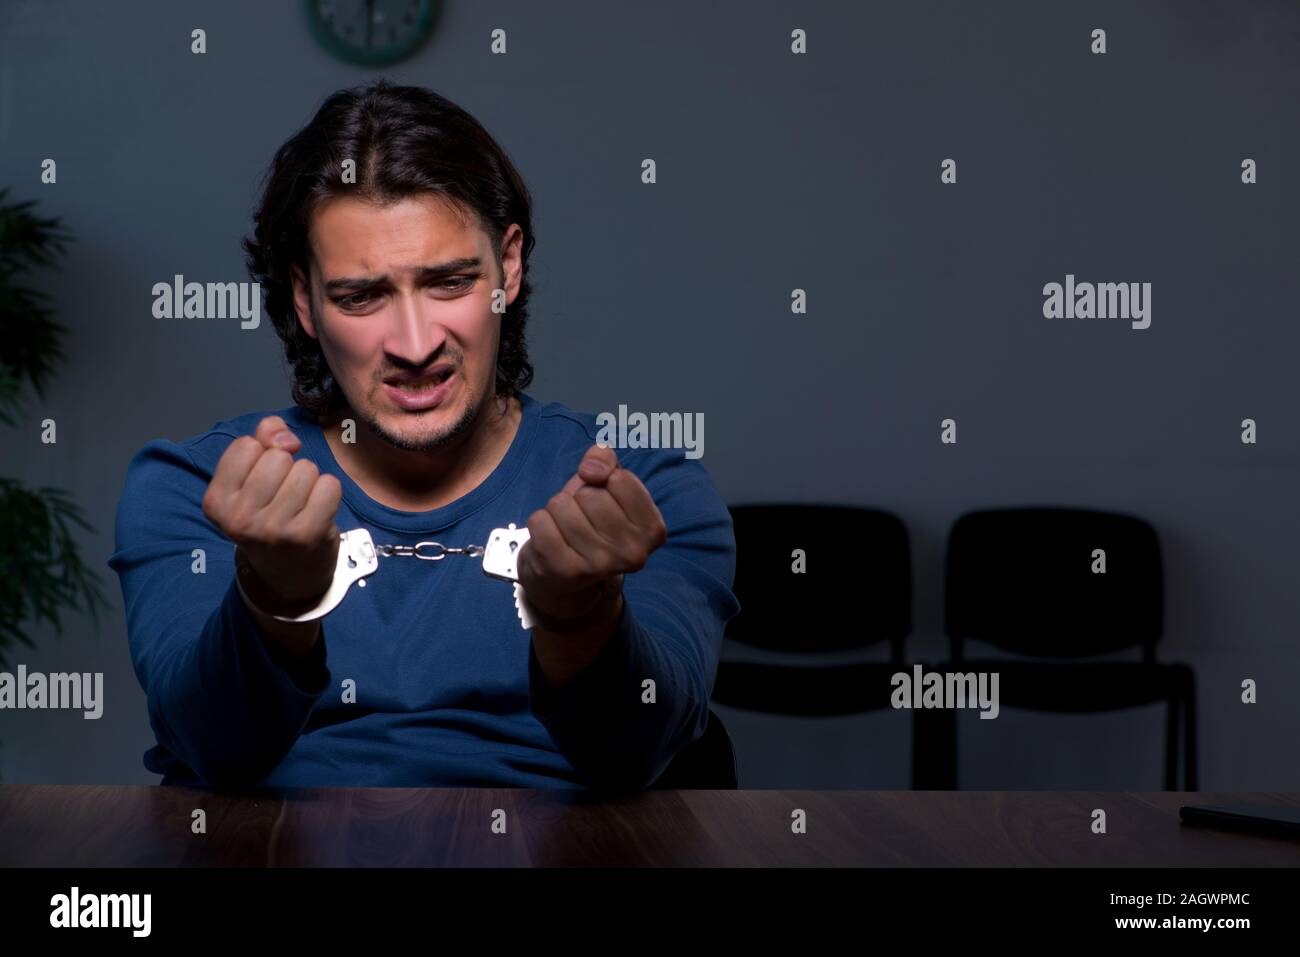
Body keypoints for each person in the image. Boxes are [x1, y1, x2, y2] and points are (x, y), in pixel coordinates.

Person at [107, 81, 739, 790]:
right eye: (362, 295)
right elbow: (212, 752)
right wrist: (275, 601)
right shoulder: (192, 488)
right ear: (304, 299)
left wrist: (576, 615)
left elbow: (643, 754)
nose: (414, 344)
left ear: (509, 266)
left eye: (448, 282)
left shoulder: (645, 493)